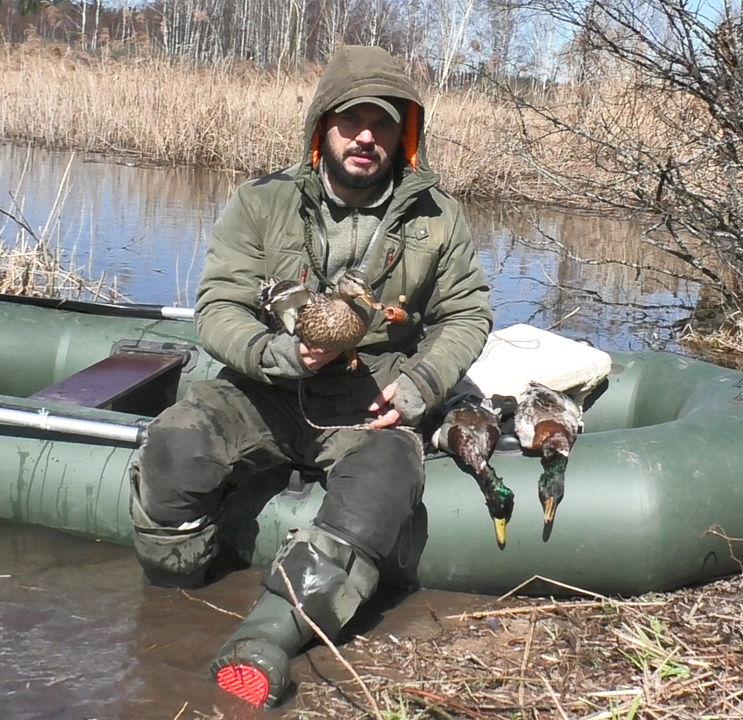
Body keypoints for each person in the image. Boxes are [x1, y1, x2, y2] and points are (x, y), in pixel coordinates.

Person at [127, 44, 494, 705]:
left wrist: (418, 386)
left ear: (402, 133)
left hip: (368, 402)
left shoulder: (438, 216)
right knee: (176, 441)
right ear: (322, 126)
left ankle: (267, 635)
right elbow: (218, 309)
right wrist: (273, 353)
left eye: (382, 123)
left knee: (383, 480)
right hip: (263, 390)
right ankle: (169, 600)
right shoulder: (261, 202)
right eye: (351, 120)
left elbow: (467, 315)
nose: (365, 137)